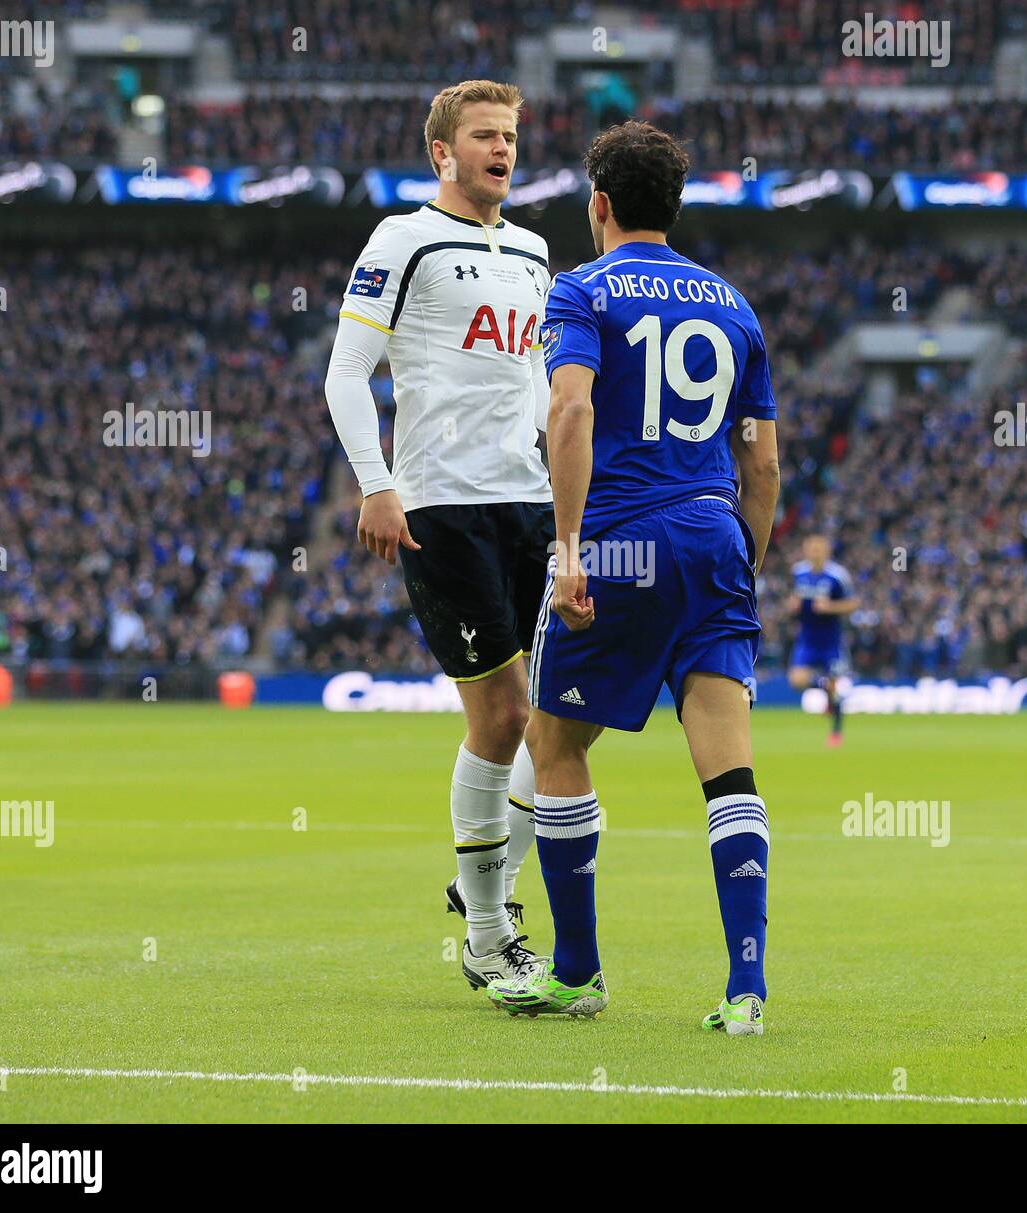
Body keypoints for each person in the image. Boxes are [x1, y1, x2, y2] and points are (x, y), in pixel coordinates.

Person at [486, 121, 781, 1035]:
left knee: (555, 743)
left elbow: (569, 410)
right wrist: (743, 564)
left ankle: (577, 973)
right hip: (715, 535)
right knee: (729, 770)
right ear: (675, 207)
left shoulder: (579, 291)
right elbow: (763, 465)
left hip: (617, 543)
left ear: (600, 204)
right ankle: (746, 990)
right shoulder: (734, 305)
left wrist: (570, 547)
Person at [323, 80, 553, 991]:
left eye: (509, 135)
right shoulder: (403, 241)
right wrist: (378, 485)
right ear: (442, 153)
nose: (501, 149)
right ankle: (490, 932)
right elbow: (347, 373)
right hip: (442, 506)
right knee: (502, 715)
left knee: (561, 722)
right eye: (484, 136)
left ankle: (478, 884)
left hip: (530, 504)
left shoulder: (536, 252)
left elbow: (534, 379)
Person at [787, 533, 859, 746]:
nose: (814, 553)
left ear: (827, 551)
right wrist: (792, 605)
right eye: (811, 549)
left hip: (831, 641)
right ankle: (823, 686)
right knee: (797, 680)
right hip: (807, 639)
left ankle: (836, 732)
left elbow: (853, 603)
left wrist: (831, 607)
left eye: (818, 549)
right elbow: (792, 598)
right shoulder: (798, 572)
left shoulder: (837, 575)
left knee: (835, 687)